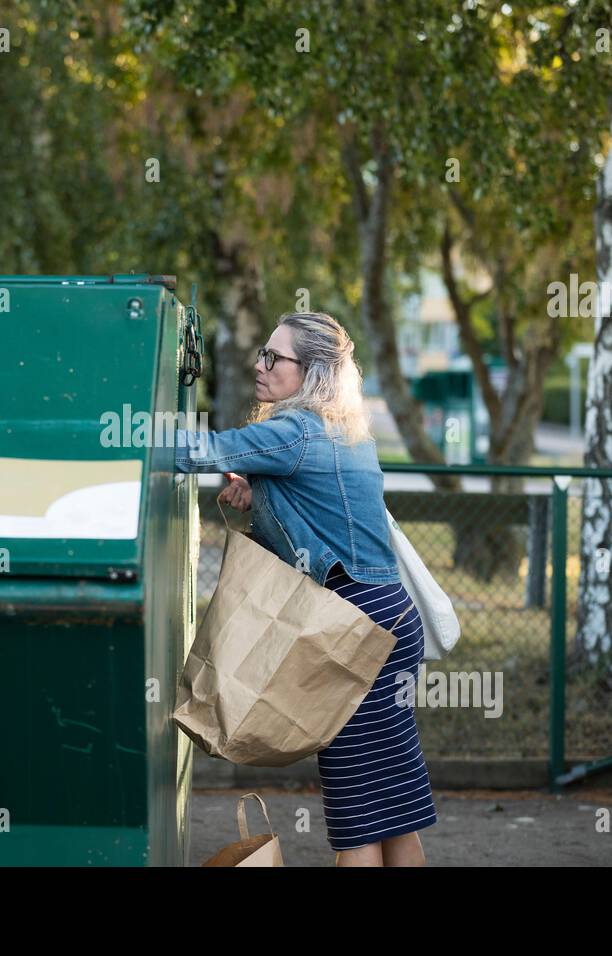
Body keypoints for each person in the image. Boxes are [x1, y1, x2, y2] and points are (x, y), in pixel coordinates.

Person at [173, 310, 437, 867]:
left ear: (311, 370)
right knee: (394, 811)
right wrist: (260, 499)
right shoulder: (344, 432)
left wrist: (123, 435)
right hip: (388, 621)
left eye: (274, 357)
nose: (259, 364)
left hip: (355, 633)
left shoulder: (295, 431)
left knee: (357, 819)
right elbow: (320, 524)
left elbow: (201, 451)